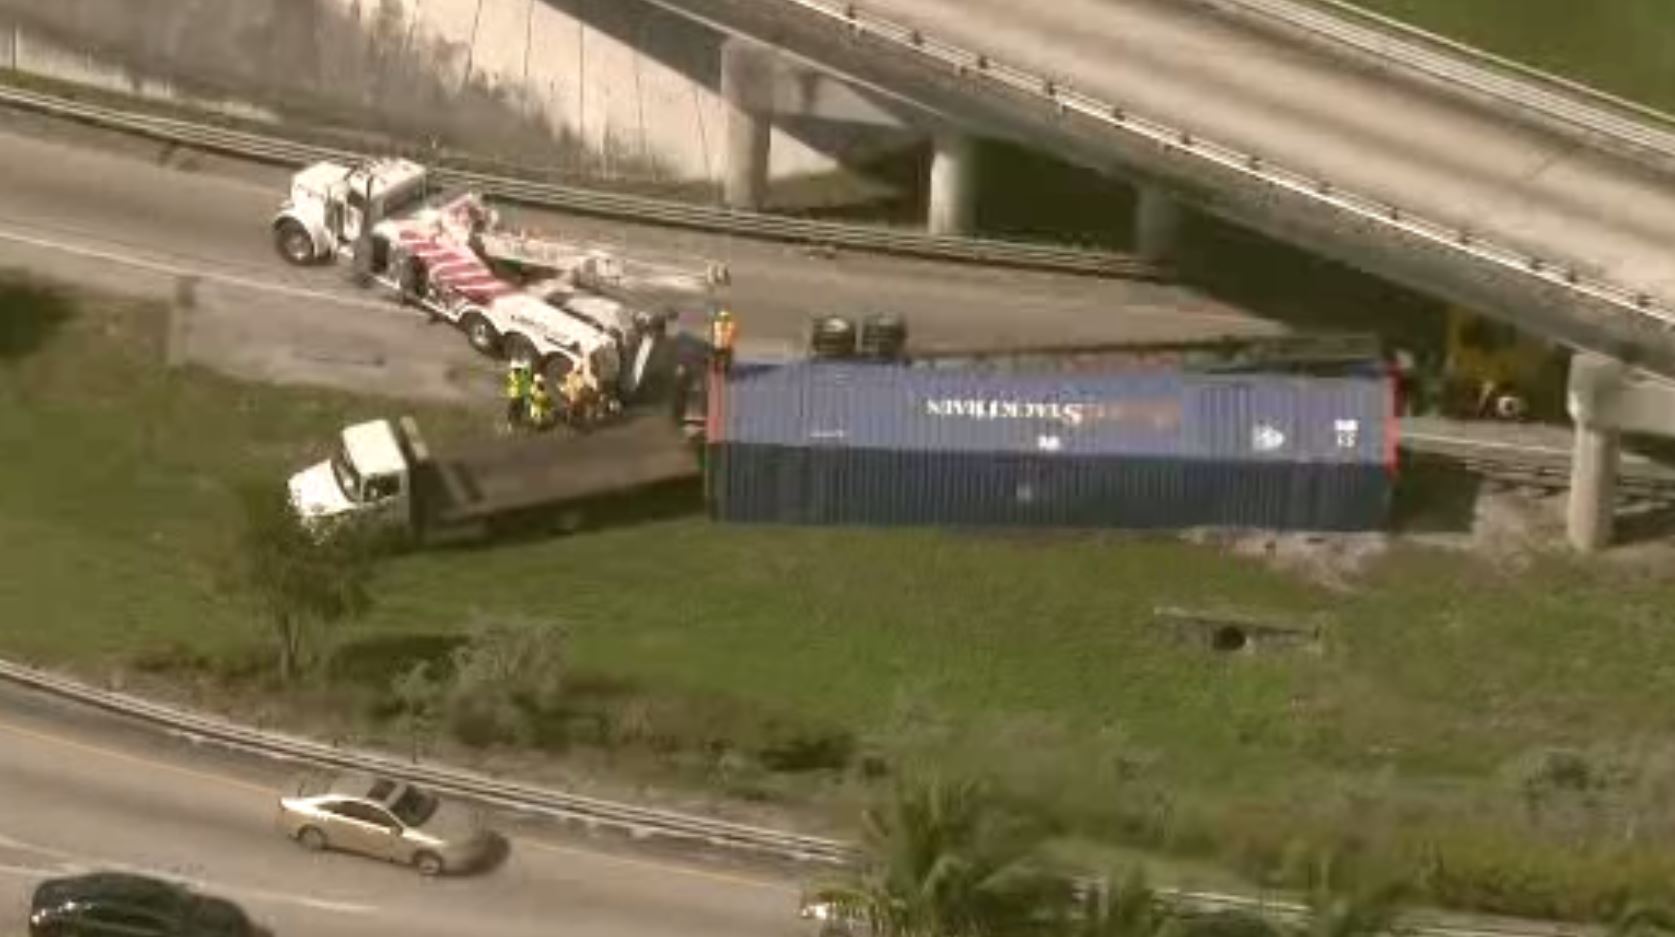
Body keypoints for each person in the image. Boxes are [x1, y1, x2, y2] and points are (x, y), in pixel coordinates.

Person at [504, 362, 533, 431]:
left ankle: (513, 424)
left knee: (513, 410)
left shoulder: (513, 376)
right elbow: (526, 376)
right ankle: (514, 423)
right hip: (518, 397)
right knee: (515, 410)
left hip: (516, 397)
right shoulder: (519, 376)